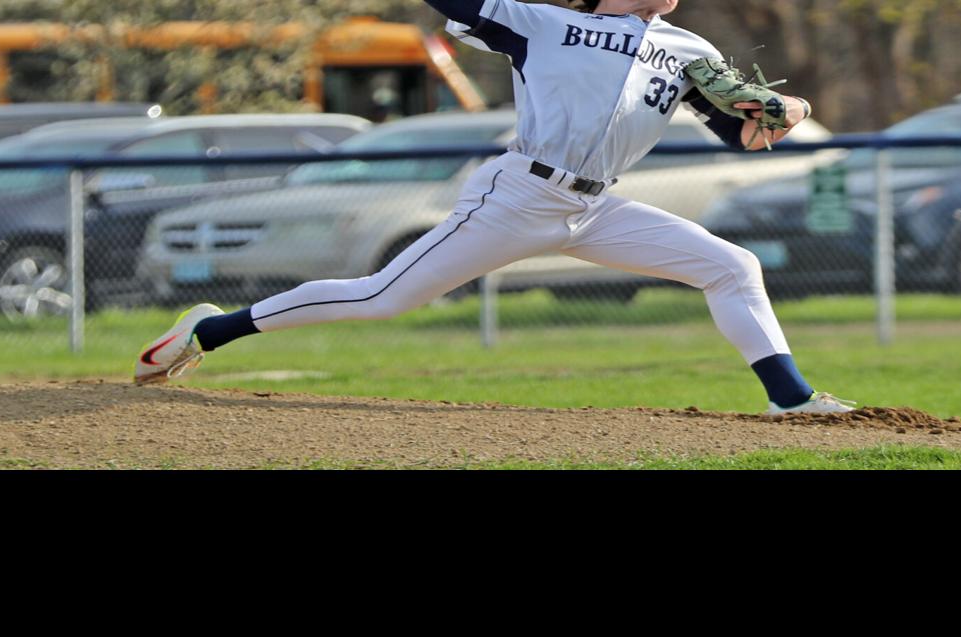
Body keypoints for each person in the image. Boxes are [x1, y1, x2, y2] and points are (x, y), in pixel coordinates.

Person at [134, 0, 855, 416]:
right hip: (516, 194)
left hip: (597, 207)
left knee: (730, 266)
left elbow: (741, 133)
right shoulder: (538, 22)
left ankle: (788, 398)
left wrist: (786, 108)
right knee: (382, 298)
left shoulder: (687, 47)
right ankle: (212, 329)